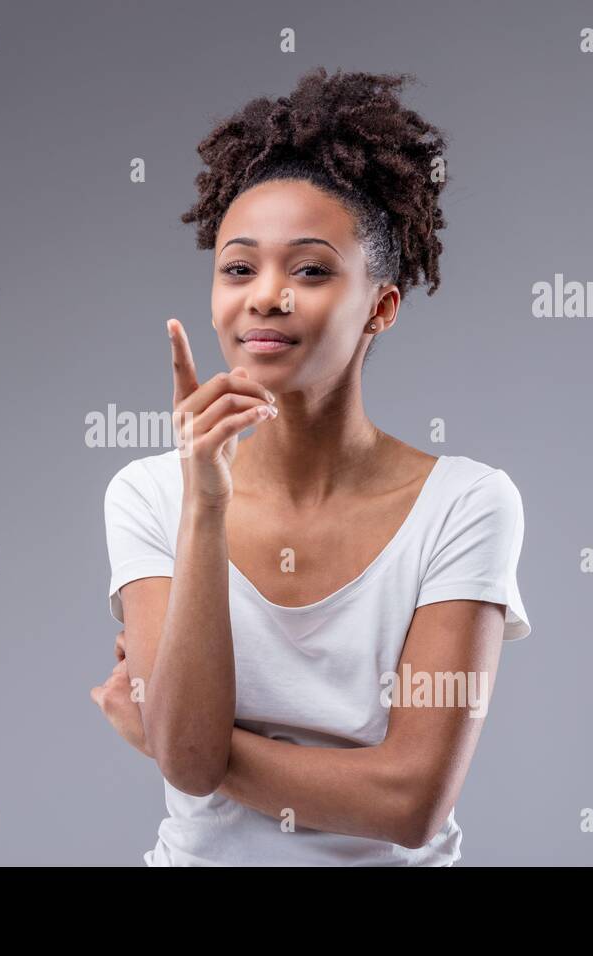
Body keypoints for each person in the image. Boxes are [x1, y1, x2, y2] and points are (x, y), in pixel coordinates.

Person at [90, 67, 531, 866]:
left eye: (311, 269)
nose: (267, 296)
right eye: (238, 268)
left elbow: (410, 804)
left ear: (381, 306)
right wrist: (206, 505)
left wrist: (169, 738)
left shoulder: (467, 503)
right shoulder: (151, 495)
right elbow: (190, 758)